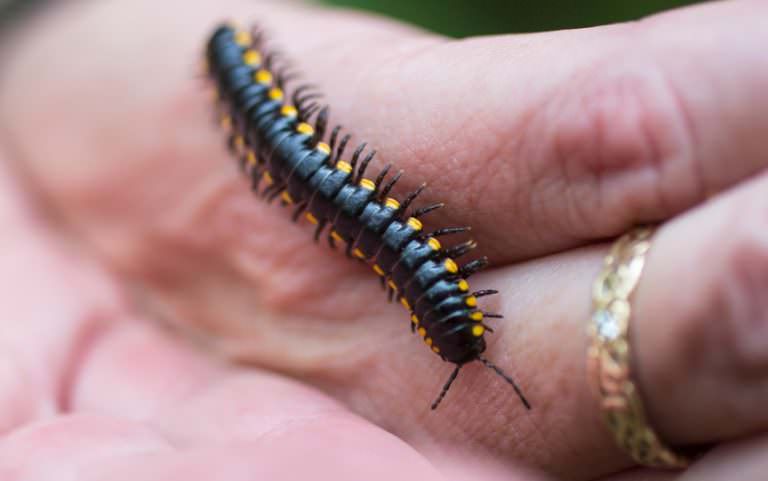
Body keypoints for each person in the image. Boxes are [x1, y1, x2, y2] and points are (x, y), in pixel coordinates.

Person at [0, 0, 766, 479]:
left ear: (440, 301)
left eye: (452, 321)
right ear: (452, 300)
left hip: (266, 125)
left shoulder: (419, 264)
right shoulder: (417, 263)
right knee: (337, 186)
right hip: (254, 98)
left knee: (353, 200)